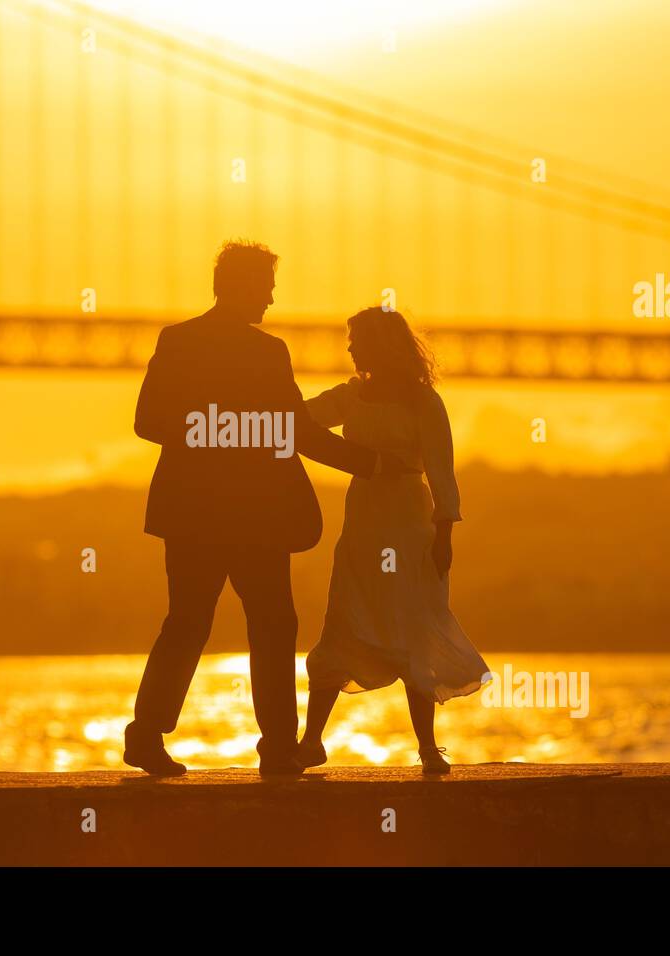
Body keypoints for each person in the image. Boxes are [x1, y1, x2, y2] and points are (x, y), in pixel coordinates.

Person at [124, 241, 405, 776]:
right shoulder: (267, 352)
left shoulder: (178, 341)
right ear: (244, 286)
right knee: (273, 624)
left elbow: (147, 421)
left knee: (187, 623)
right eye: (267, 286)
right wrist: (372, 463)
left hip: (192, 513)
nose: (272, 299)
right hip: (256, 516)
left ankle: (146, 737)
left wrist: (206, 433)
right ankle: (277, 747)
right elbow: (295, 432)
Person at [298, 307, 490, 775]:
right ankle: (310, 741)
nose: (349, 348)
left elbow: (442, 473)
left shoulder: (424, 403)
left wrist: (444, 532)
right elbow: (303, 417)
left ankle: (427, 747)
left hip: (409, 522)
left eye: (356, 339)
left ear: (380, 345)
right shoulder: (354, 395)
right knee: (343, 622)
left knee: (414, 632)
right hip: (363, 522)